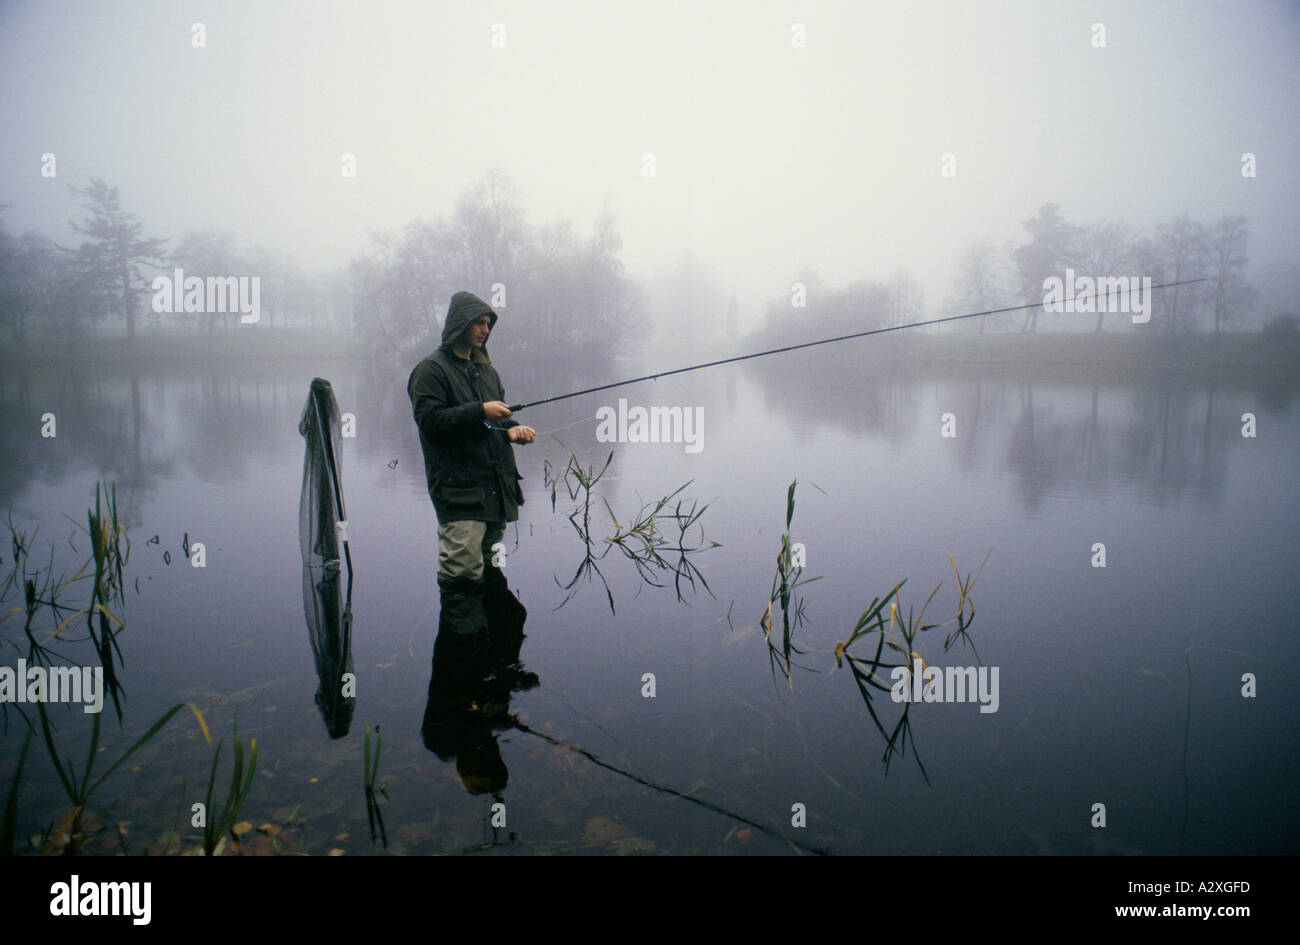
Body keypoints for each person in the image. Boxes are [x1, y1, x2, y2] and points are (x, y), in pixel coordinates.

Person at [407, 291, 535, 633]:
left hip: (495, 493)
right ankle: (461, 668)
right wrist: (479, 410)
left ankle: (496, 666)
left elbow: (497, 420)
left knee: (491, 572)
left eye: (488, 323)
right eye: (478, 322)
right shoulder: (430, 370)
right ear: (459, 324)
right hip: (460, 495)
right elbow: (431, 421)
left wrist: (512, 430)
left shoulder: (486, 371)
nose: (484, 329)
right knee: (461, 582)